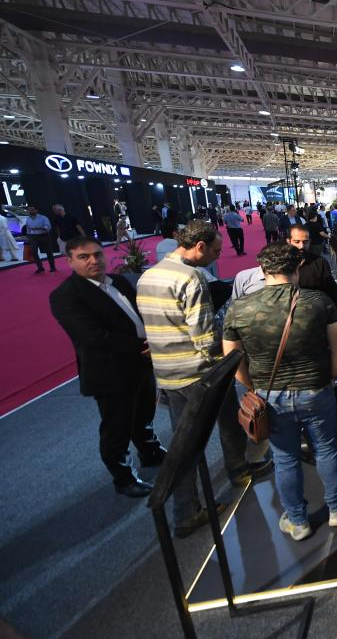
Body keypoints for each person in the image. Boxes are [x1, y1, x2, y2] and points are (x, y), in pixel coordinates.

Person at [137, 221, 271, 538]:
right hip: (199, 373)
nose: (216, 256)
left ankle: (189, 508)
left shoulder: (148, 276)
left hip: (168, 375)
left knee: (183, 444)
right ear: (199, 247)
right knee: (226, 423)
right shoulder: (192, 278)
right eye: (215, 250)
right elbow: (204, 335)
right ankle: (233, 476)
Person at [223, 243, 337, 541]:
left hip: (271, 396)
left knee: (284, 459)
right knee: (327, 449)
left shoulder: (239, 308)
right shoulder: (318, 301)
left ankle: (298, 522)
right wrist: (328, 377)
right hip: (316, 390)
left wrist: (253, 387)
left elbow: (233, 360)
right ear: (296, 269)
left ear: (262, 270)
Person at [49, 237, 166, 497]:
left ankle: (150, 452)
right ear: (69, 261)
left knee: (144, 413)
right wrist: (145, 345)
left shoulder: (119, 281)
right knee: (117, 427)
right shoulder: (65, 296)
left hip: (141, 362)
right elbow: (93, 338)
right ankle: (123, 478)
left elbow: (141, 312)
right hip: (110, 372)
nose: (93, 261)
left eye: (97, 254)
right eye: (84, 257)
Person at [233, 225, 337, 322]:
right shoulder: (279, 263)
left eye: (305, 242)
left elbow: (333, 291)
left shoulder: (320, 263)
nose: (301, 246)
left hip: (313, 318)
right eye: (297, 242)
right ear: (288, 241)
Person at [24, 205, 57, 273]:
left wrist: (39, 228)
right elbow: (28, 229)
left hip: (44, 235)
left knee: (48, 251)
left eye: (32, 209)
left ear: (36, 210)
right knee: (34, 251)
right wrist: (28, 237)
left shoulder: (43, 218)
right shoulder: (28, 219)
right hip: (33, 236)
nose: (30, 211)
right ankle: (40, 267)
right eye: (29, 210)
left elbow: (48, 227)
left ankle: (52, 267)